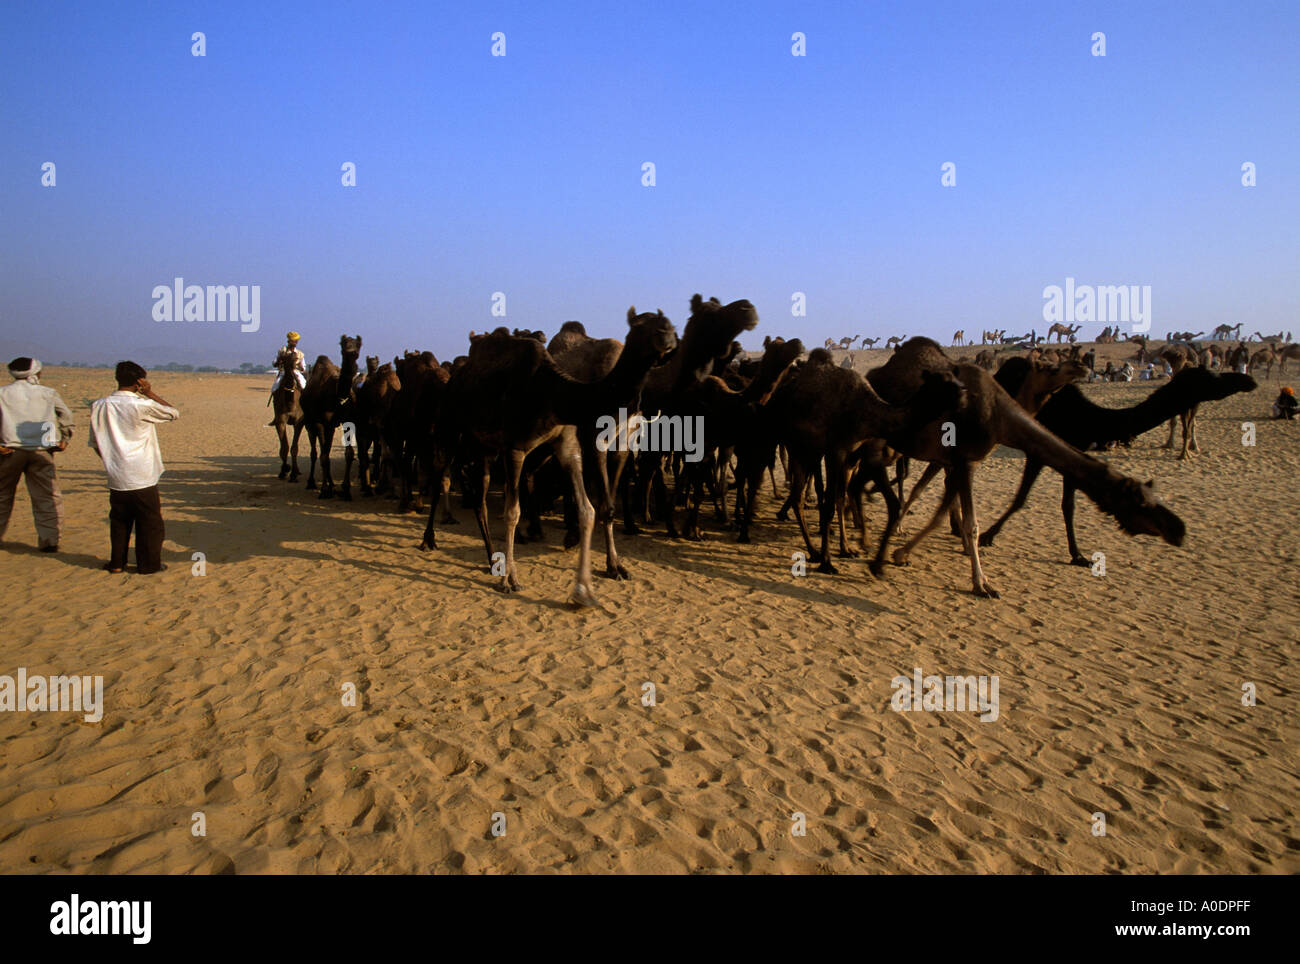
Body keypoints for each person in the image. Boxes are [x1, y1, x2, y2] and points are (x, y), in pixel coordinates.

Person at [88, 362, 180, 574]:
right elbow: (173, 413)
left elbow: (96, 444)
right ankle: (148, 565)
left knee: (119, 521)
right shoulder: (141, 405)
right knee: (150, 522)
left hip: (116, 475)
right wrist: (150, 393)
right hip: (142, 475)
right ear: (140, 381)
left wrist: (113, 461)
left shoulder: (99, 405)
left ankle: (117, 563)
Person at [0, 357, 74, 552]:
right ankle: (49, 541)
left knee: (2, 496)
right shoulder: (48, 393)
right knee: (47, 497)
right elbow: (66, 415)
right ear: (36, 373)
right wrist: (65, 438)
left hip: (10, 451)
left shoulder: (2, 393)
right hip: (42, 451)